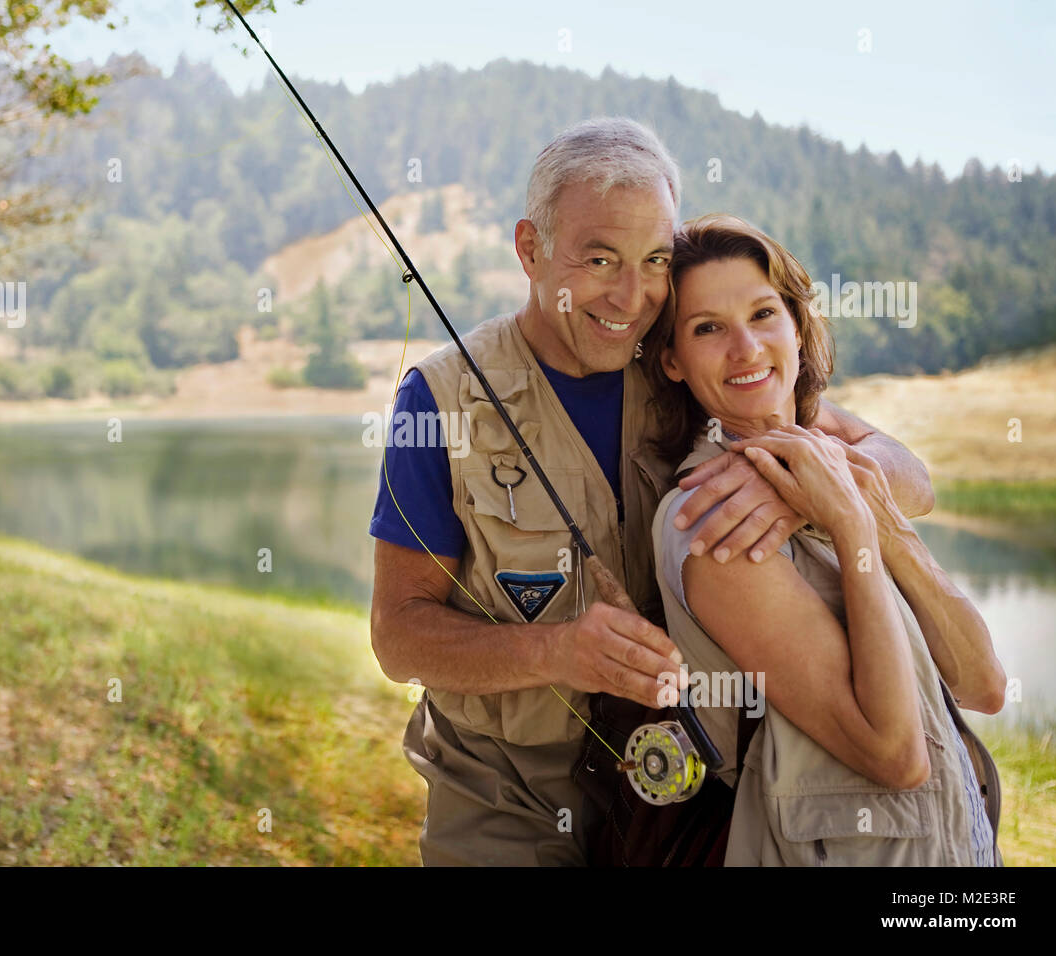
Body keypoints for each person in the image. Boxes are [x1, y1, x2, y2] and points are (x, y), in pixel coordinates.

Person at [367, 118, 936, 866]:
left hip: (686, 788)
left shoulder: (685, 358)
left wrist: (814, 494)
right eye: (600, 259)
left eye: (655, 260)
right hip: (504, 795)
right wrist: (557, 652)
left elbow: (906, 471)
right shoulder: (437, 401)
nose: (632, 297)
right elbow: (398, 635)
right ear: (530, 249)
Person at [639, 213, 1005, 865]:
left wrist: (878, 522)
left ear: (797, 327)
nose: (747, 349)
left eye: (763, 314)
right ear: (672, 358)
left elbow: (986, 685)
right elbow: (893, 755)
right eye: (707, 329)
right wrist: (855, 525)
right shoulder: (713, 519)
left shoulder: (830, 464)